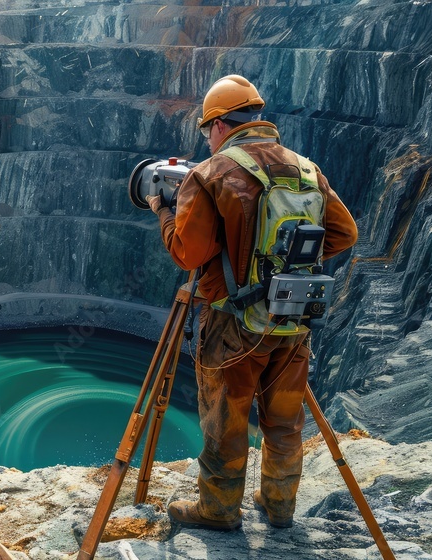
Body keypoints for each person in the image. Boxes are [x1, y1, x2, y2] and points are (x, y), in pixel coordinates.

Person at [146, 75, 358, 530]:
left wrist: (163, 212)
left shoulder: (211, 174)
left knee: (227, 421)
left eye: (207, 131)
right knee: (283, 422)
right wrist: (286, 270)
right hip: (293, 320)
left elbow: (187, 253)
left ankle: (219, 511)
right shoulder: (306, 169)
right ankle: (279, 507)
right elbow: (345, 234)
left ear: (221, 125)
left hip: (232, 327)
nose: (208, 139)